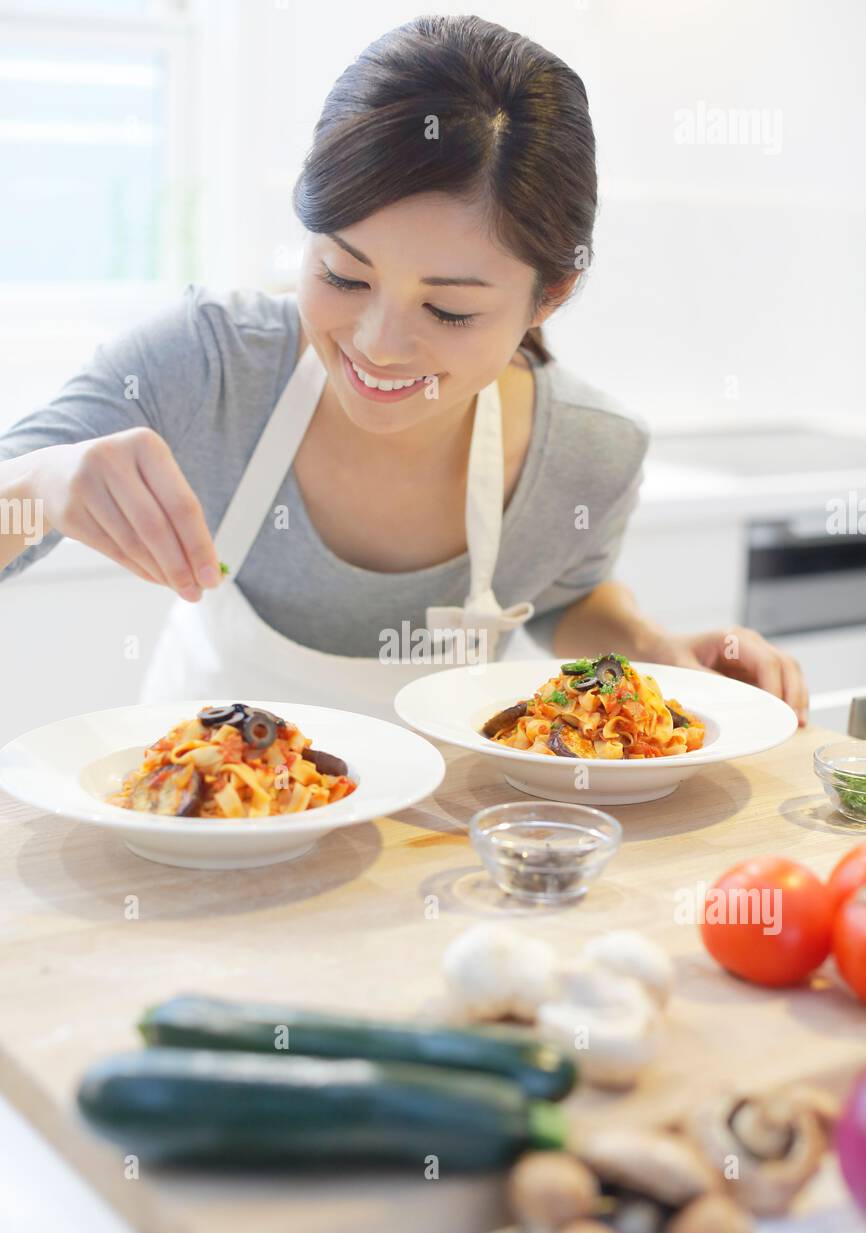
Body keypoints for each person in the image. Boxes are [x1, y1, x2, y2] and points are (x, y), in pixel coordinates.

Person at [0, 14, 808, 724]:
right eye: (344, 276)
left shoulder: (591, 453)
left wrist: (647, 651)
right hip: (196, 842)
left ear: (549, 297)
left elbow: (565, 597)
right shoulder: (205, 366)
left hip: (437, 867)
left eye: (449, 310)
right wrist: (37, 486)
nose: (379, 345)